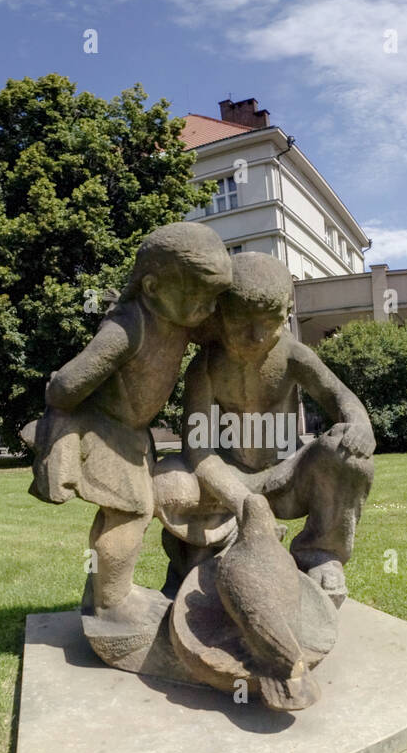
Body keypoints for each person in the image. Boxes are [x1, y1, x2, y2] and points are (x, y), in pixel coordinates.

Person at [26, 223, 234, 653]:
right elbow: (64, 386)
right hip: (102, 428)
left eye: (213, 298)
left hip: (130, 433)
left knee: (125, 513)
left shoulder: (178, 317)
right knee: (133, 511)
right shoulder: (128, 327)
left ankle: (102, 593)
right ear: (153, 287)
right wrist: (62, 410)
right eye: (200, 296)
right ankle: (112, 603)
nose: (208, 309)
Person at [153, 250, 373, 601]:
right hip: (228, 483)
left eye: (269, 321)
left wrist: (359, 424)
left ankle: (321, 555)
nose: (256, 335)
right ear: (220, 314)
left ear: (287, 312)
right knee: (169, 482)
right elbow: (198, 451)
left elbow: (340, 397)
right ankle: (195, 564)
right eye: (242, 321)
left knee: (348, 456)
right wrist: (242, 501)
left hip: (285, 476)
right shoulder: (206, 366)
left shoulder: (293, 355)